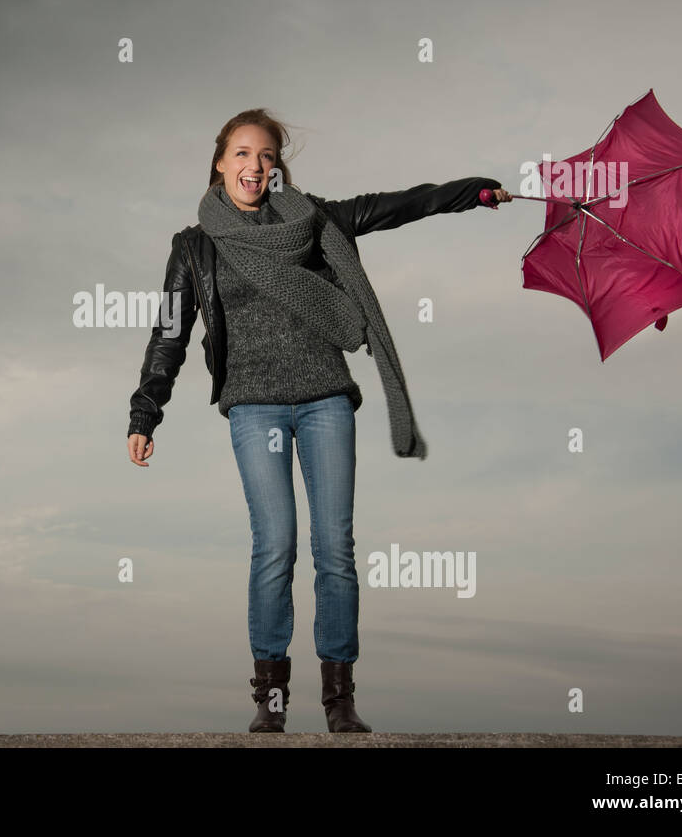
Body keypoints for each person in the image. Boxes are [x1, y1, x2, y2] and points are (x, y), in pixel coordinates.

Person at [125, 108, 510, 732]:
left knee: (335, 549)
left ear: (277, 168)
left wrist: (471, 193)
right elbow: (168, 334)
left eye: (267, 156)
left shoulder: (314, 221)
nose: (255, 166)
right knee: (274, 545)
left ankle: (340, 702)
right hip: (253, 406)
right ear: (221, 162)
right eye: (243, 154)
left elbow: (394, 206)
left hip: (326, 397)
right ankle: (271, 703)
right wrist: (147, 412)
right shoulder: (194, 245)